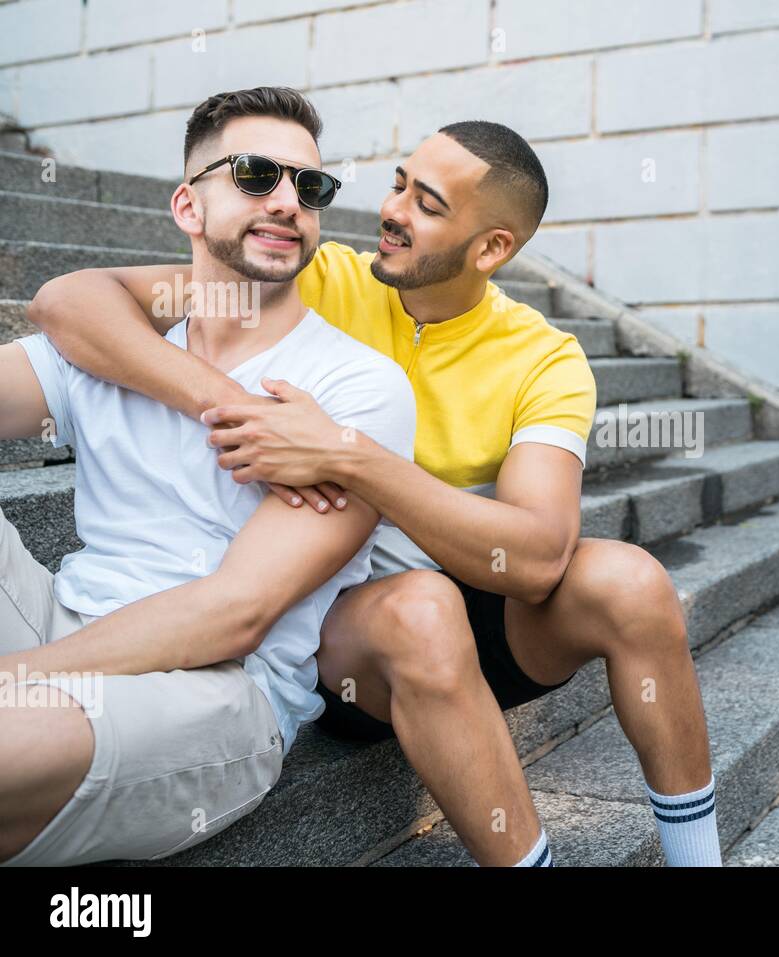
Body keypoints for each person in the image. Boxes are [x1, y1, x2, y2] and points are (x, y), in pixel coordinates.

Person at [30, 91, 722, 867]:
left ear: (490, 249)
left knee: (631, 582)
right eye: (397, 183)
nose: (390, 211)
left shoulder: (545, 357)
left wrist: (350, 455)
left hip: (471, 585)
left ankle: (699, 858)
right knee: (420, 612)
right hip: (350, 622)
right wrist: (226, 403)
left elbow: (534, 556)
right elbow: (73, 300)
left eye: (426, 204)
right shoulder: (318, 277)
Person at [0, 87, 416, 865]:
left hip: (216, 690)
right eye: (258, 174)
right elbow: (65, 305)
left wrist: (13, 679)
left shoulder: (358, 389)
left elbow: (236, 612)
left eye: (311, 186)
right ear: (188, 207)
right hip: (64, 621)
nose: (289, 201)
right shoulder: (117, 346)